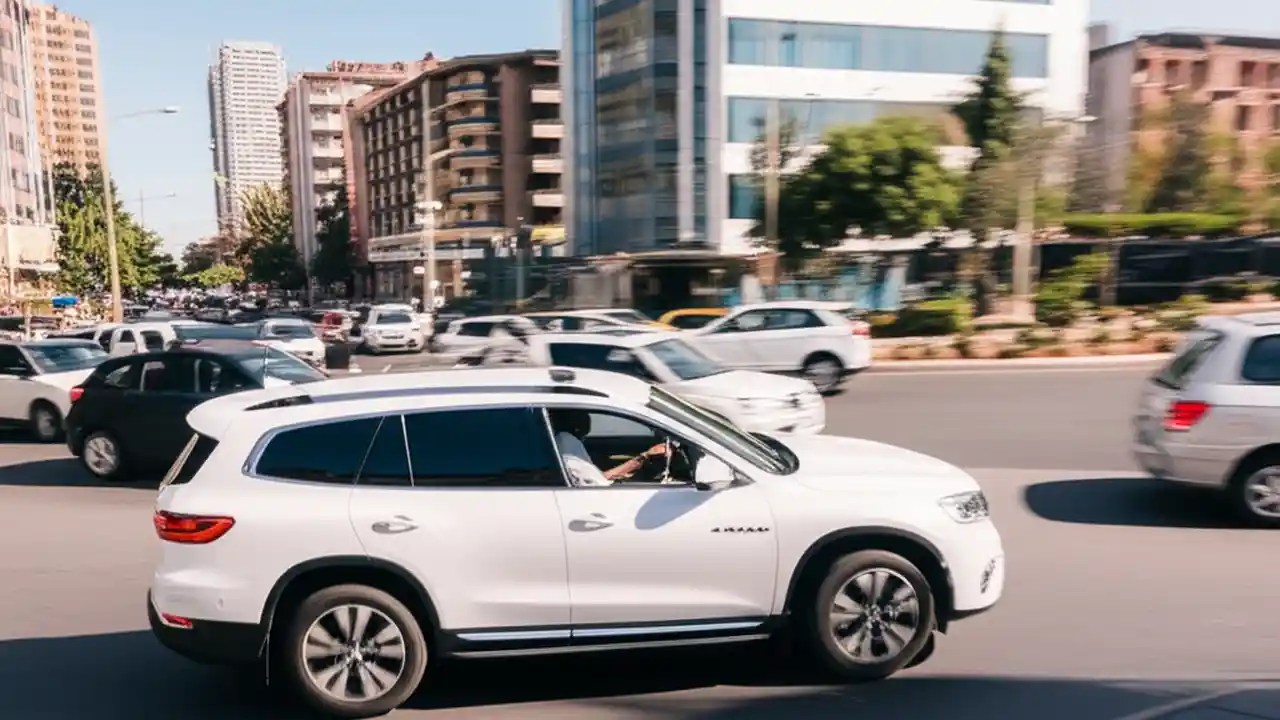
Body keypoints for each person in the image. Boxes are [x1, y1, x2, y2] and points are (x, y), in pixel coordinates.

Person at [549, 409, 666, 487]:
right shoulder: (566, 441)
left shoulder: (565, 440)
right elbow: (598, 483)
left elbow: (599, 477)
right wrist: (643, 457)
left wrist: (640, 460)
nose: (587, 419)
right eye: (582, 415)